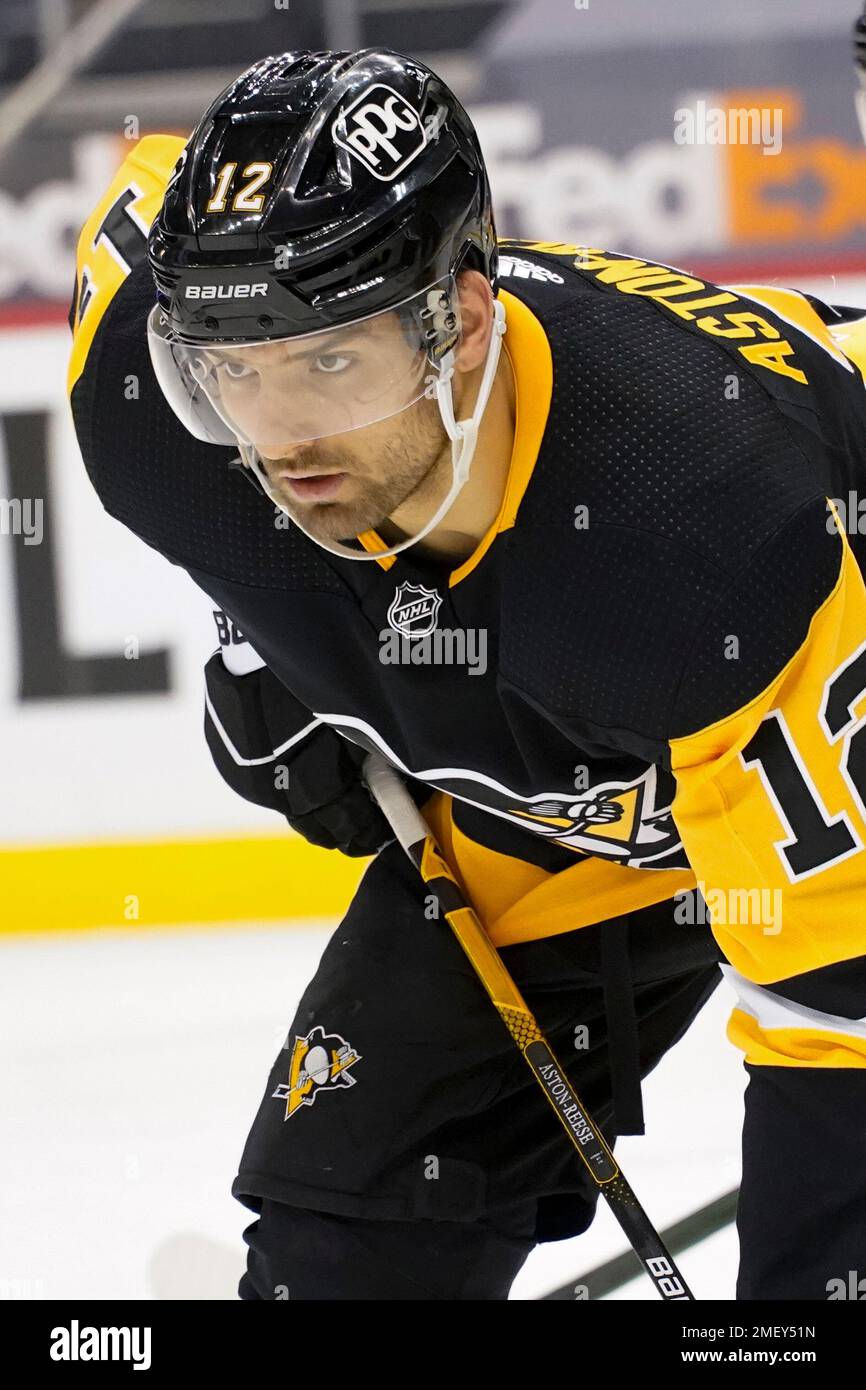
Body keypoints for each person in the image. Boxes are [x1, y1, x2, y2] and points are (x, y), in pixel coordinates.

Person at [67, 48, 866, 1301]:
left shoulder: (701, 534)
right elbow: (151, 187)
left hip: (797, 701)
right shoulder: (146, 411)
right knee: (341, 1245)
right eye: (233, 373)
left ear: (466, 326)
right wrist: (264, 630)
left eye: (331, 364)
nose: (282, 445)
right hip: (572, 820)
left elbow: (841, 1019)